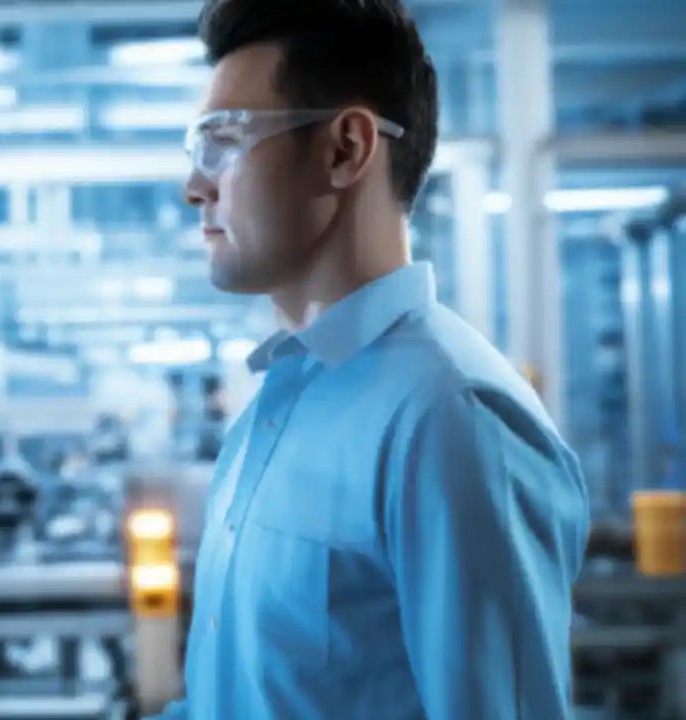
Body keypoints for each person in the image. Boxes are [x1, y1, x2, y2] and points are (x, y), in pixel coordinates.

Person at [160, 1, 591, 718]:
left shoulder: (449, 418)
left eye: (225, 142)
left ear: (346, 149)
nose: (195, 187)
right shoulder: (279, 402)